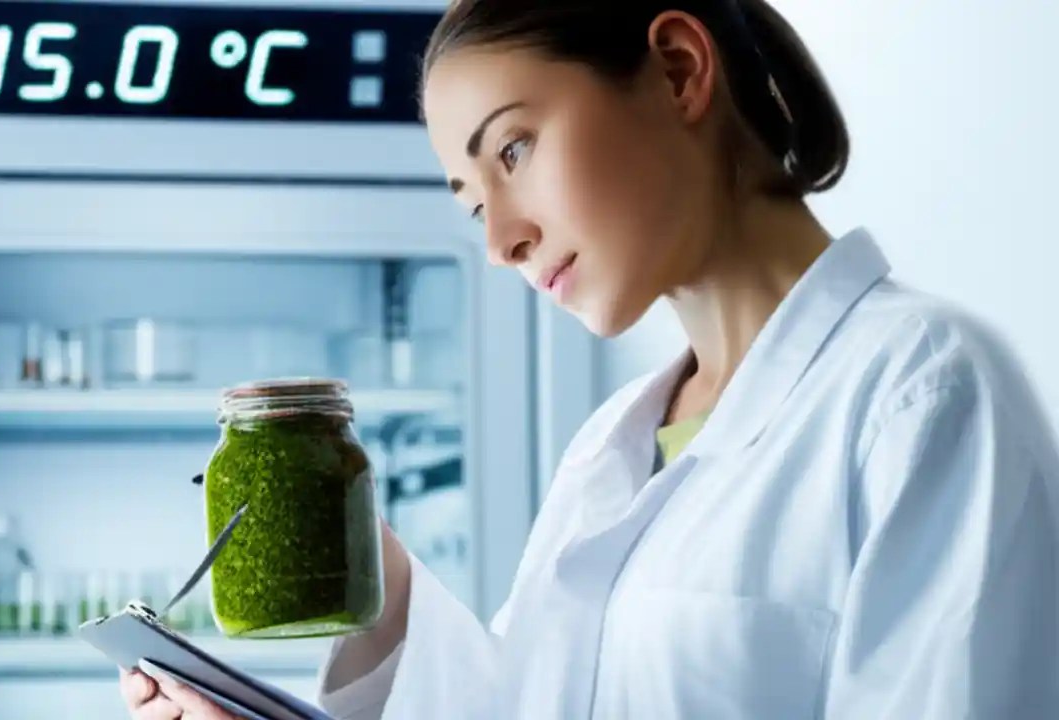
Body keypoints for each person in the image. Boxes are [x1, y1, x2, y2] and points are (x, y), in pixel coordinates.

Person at [122, 0, 1059, 717]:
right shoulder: (610, 446)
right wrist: (363, 571)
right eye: (475, 205)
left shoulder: (922, 393)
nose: (503, 243)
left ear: (679, 69)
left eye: (514, 150)